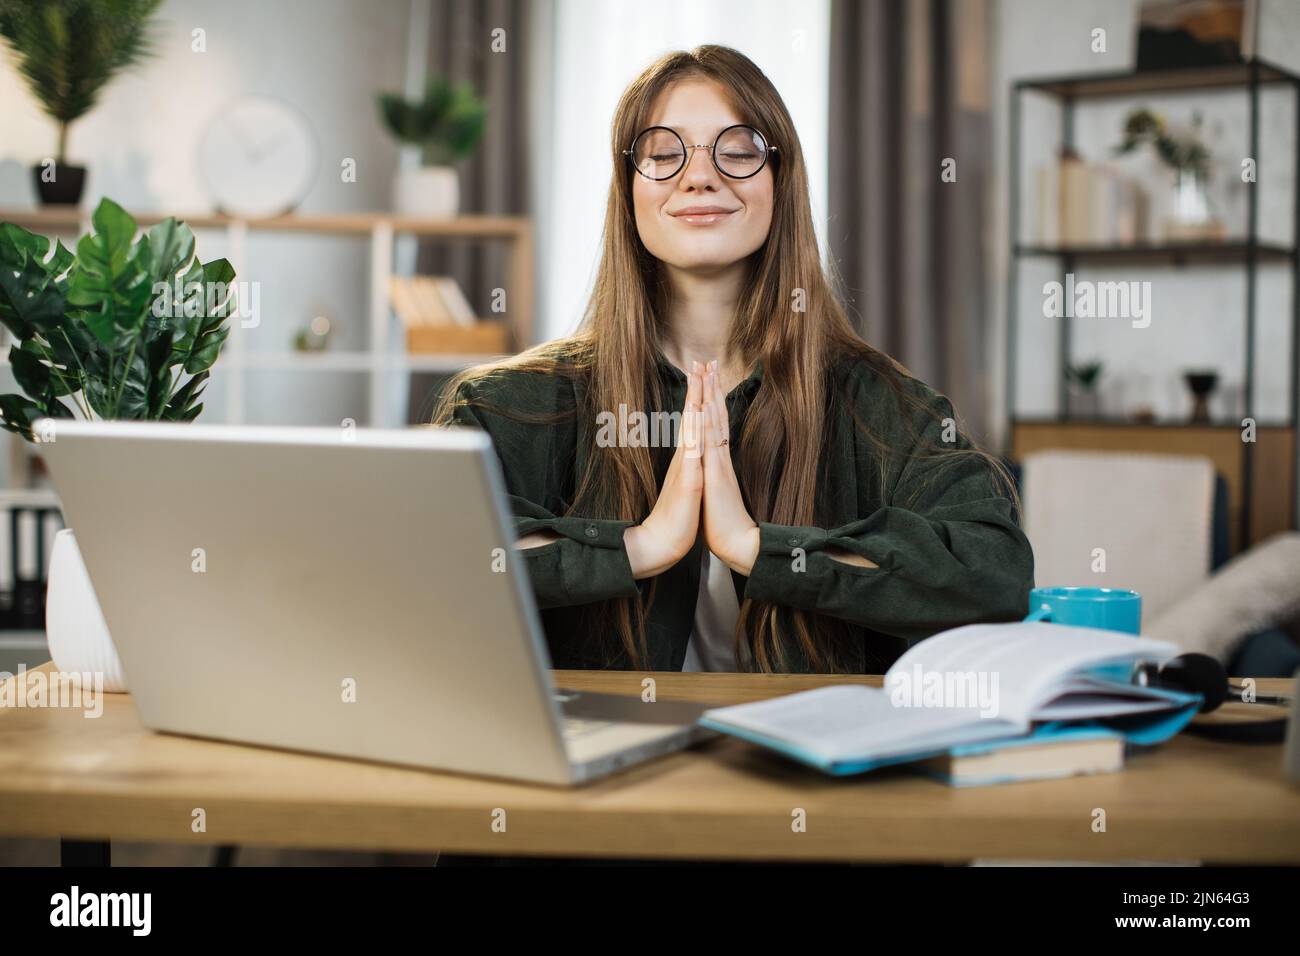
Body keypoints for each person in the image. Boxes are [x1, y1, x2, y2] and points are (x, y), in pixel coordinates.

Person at [433, 44, 1033, 675]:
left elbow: (995, 572)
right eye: (664, 155)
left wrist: (759, 548)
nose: (699, 176)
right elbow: (430, 557)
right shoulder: (505, 404)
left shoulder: (885, 406)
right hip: (598, 767)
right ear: (627, 188)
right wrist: (636, 547)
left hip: (807, 765)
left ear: (781, 180)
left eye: (739, 151)